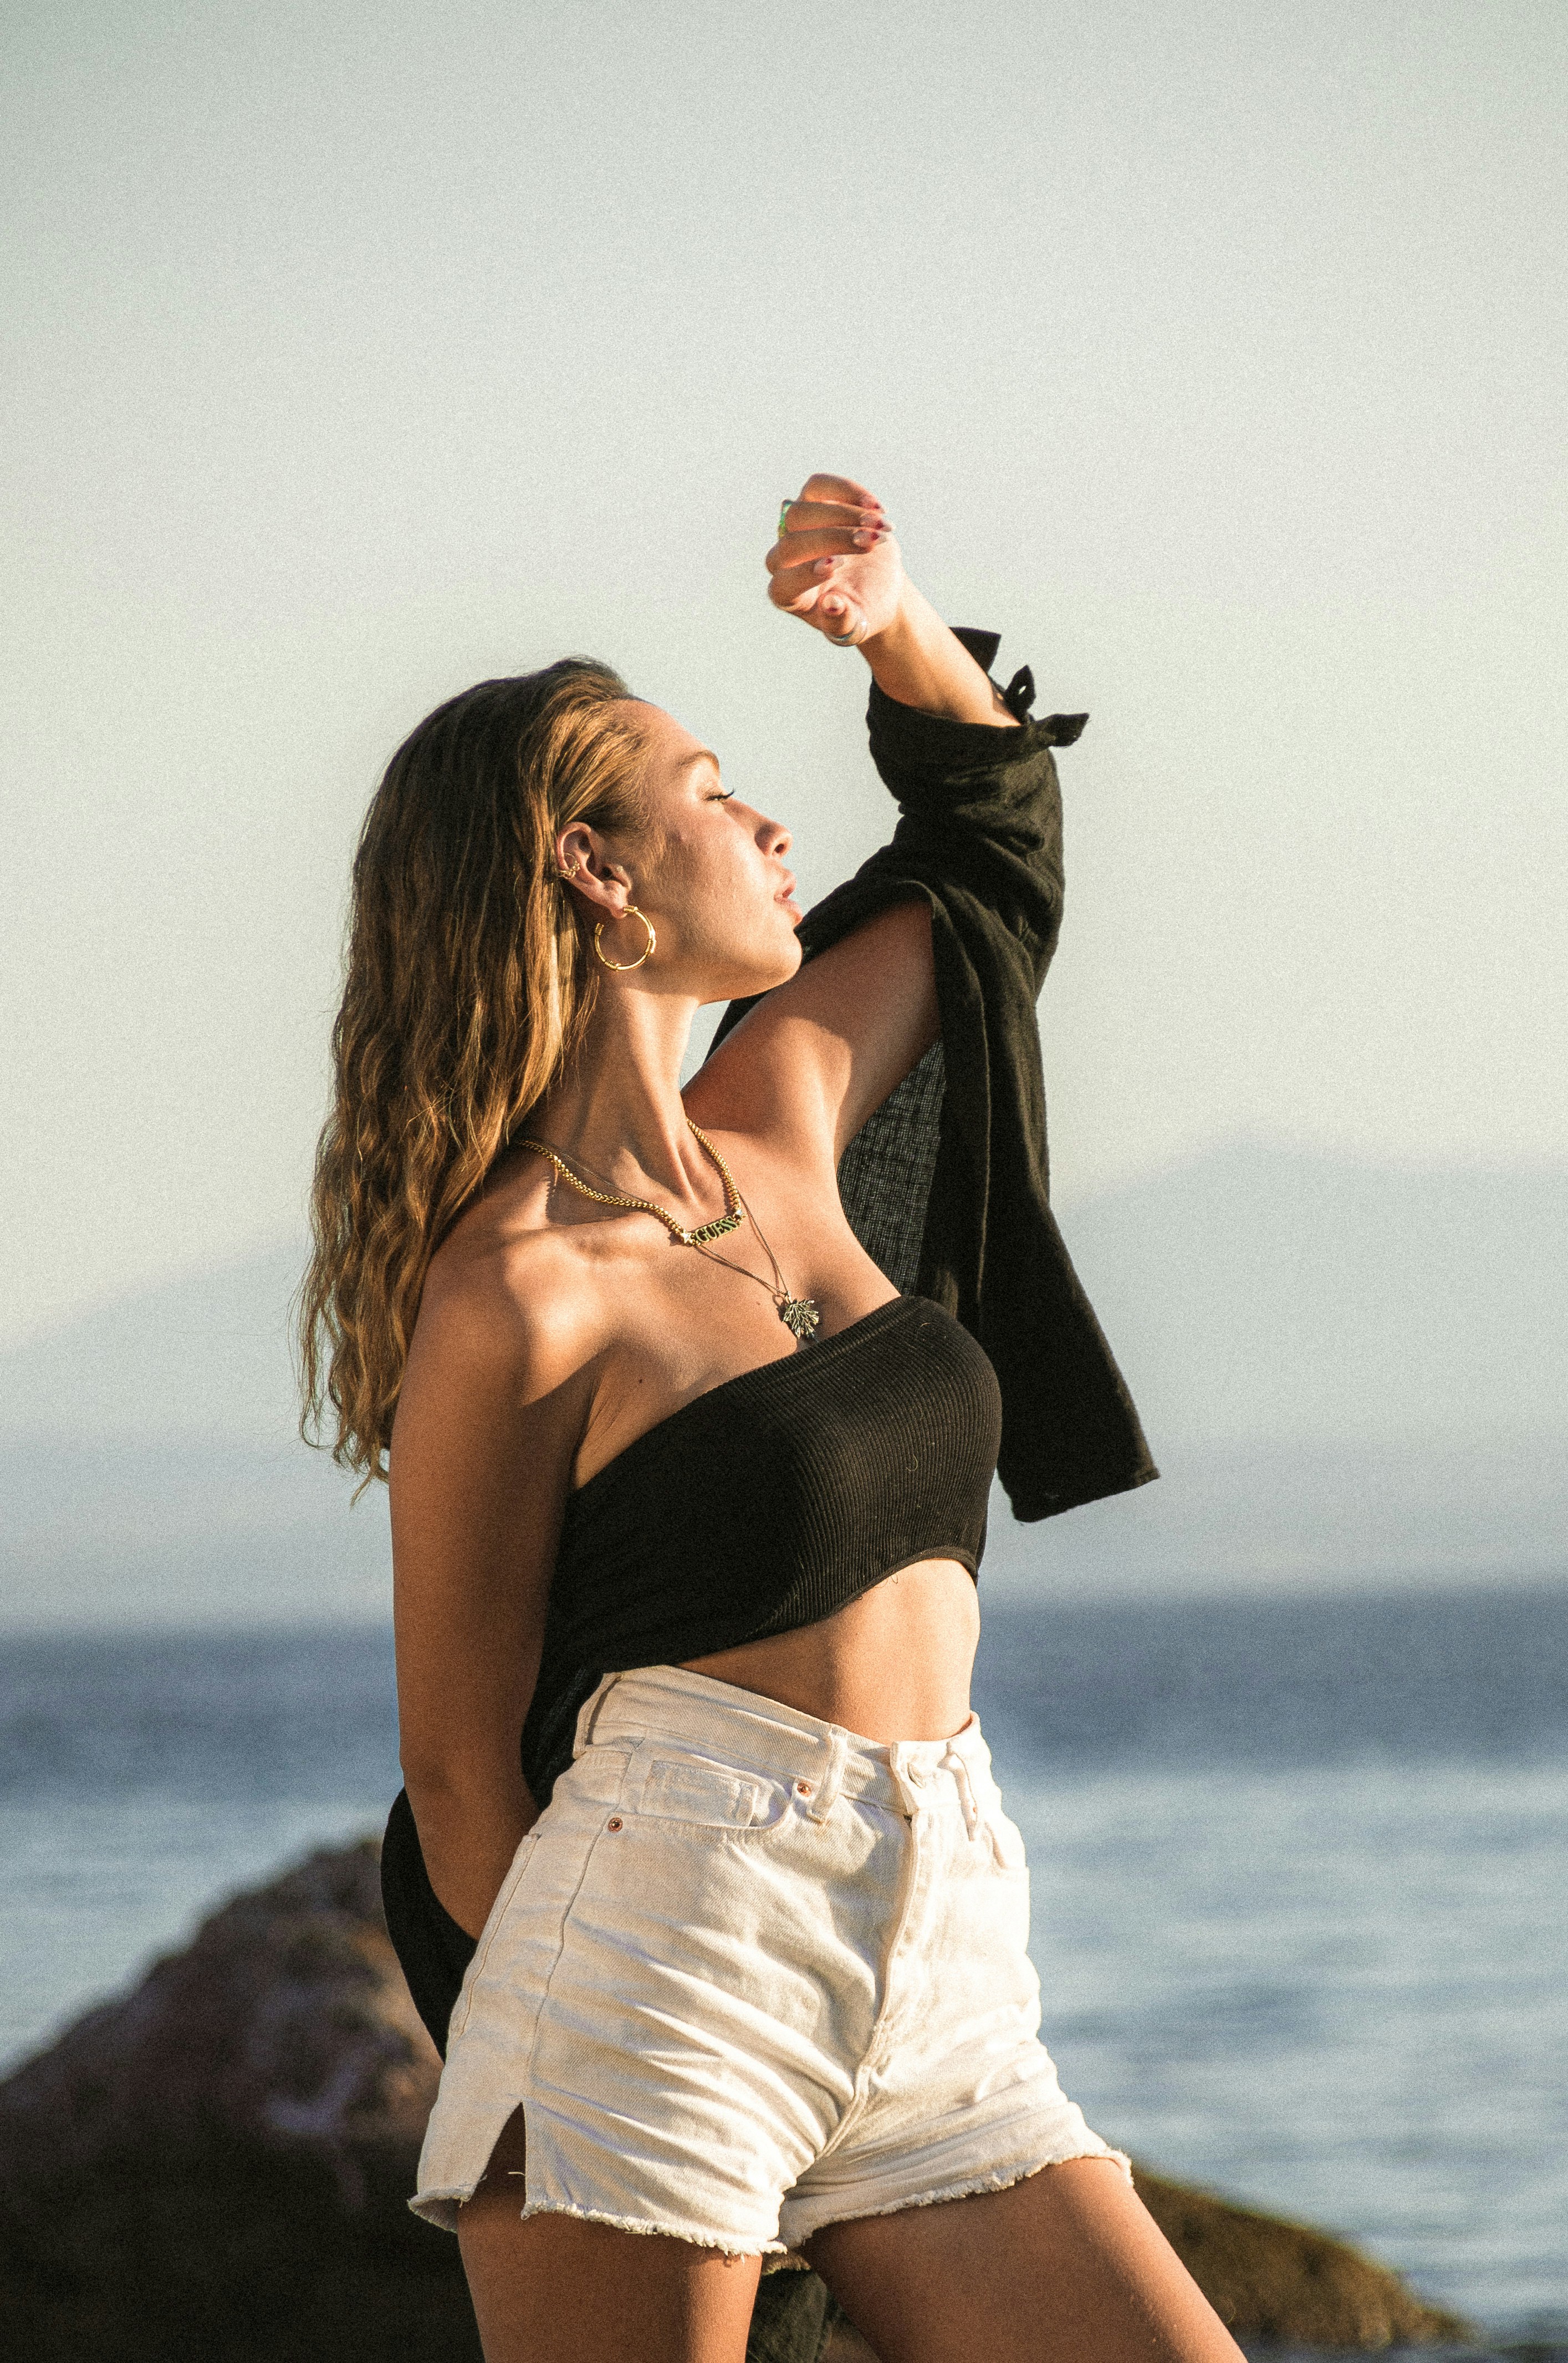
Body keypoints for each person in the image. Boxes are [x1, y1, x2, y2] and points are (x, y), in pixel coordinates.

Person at [300, 475, 1242, 2363]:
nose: (763, 814)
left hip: (945, 1955)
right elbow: (468, 1775)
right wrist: (624, 2041)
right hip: (666, 1955)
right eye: (710, 786)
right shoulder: (518, 1294)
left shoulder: (788, 1106)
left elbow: (986, 848)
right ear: (593, 867)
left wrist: (895, 625)